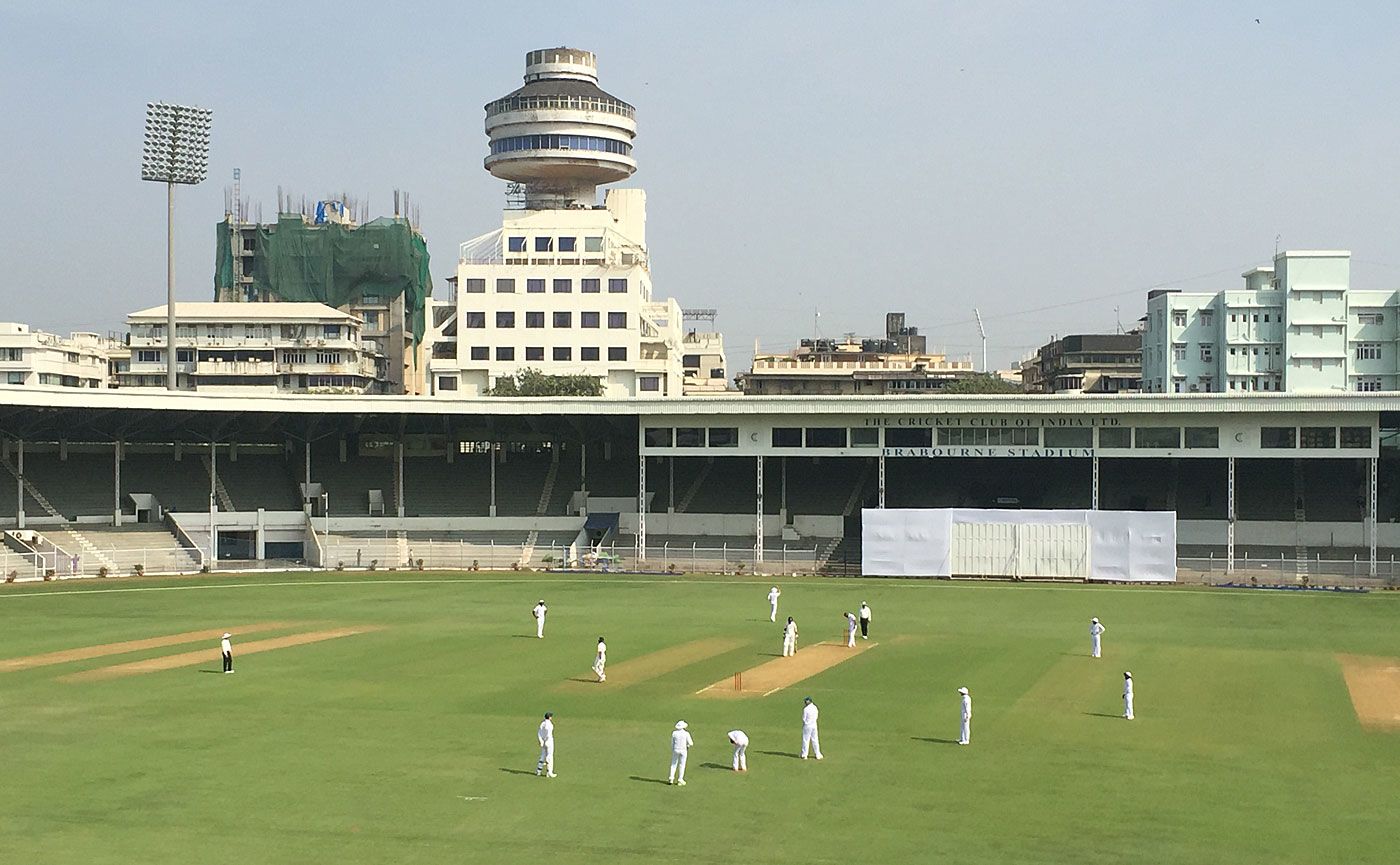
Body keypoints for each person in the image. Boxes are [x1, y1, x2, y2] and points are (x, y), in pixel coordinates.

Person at [668, 721, 693, 785]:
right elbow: (691, 743)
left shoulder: (674, 733)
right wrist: (687, 746)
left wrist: (673, 749)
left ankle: (671, 778)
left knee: (673, 764)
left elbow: (672, 743)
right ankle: (680, 779)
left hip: (675, 750)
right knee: (682, 764)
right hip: (683, 750)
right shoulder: (686, 733)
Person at [536, 712, 556, 777]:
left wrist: (541, 741)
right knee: (549, 756)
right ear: (549, 717)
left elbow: (539, 733)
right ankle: (549, 772)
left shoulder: (542, 724)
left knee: (543, 755)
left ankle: (538, 771)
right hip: (549, 741)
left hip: (543, 741)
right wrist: (547, 738)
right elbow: (548, 732)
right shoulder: (549, 724)